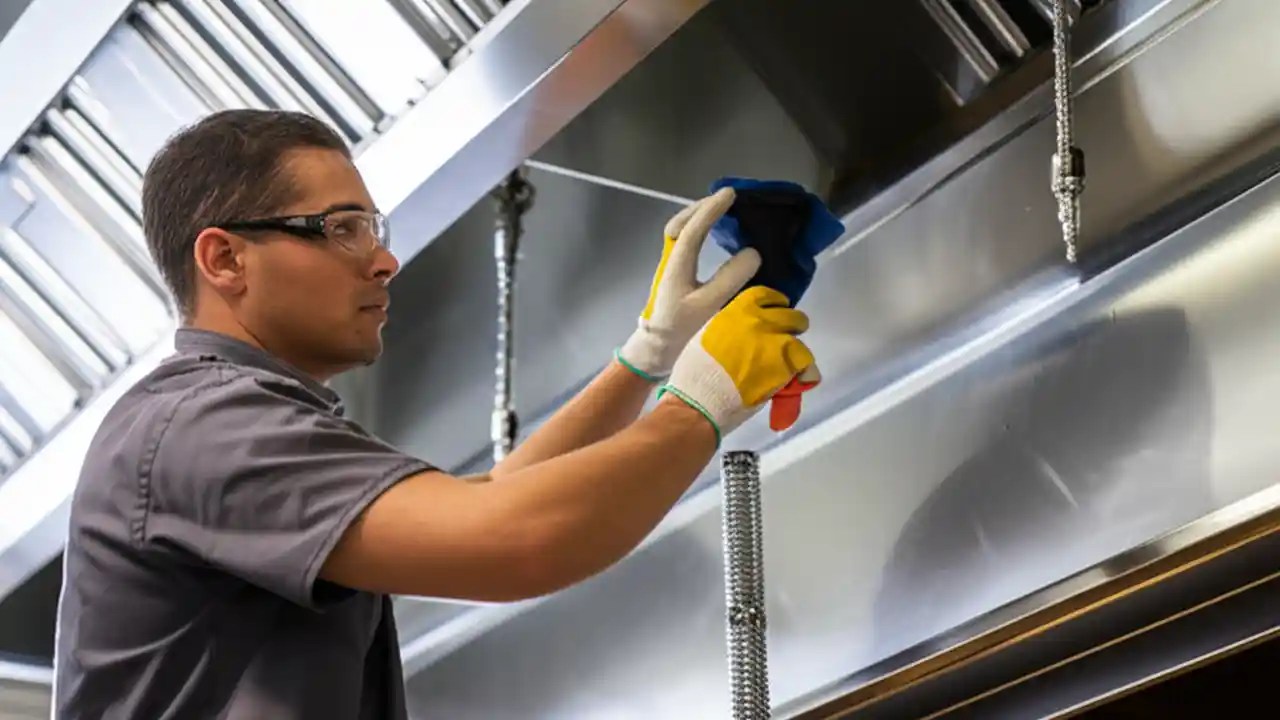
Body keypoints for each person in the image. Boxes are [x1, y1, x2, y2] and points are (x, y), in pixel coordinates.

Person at [52, 108, 819, 719]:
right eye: (340, 228)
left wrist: (649, 357)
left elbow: (492, 503)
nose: (384, 259)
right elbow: (518, 540)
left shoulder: (230, 422)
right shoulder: (202, 423)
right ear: (224, 260)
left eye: (374, 229)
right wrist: (700, 403)